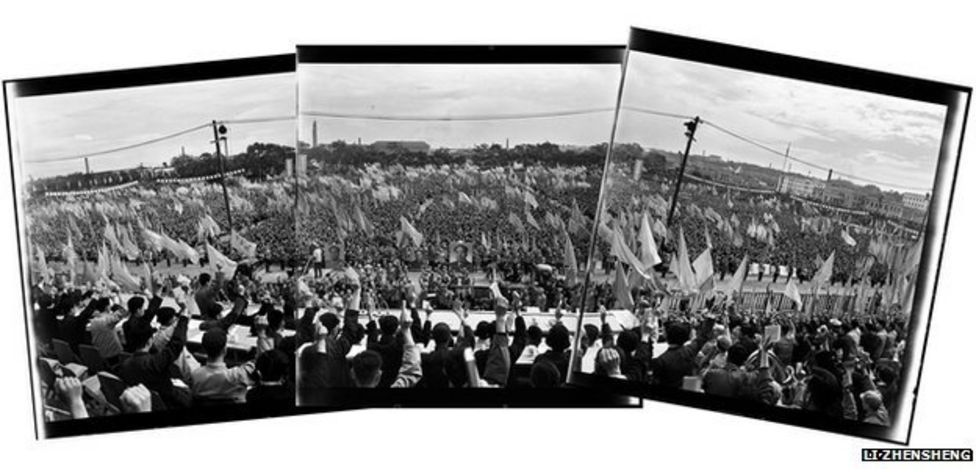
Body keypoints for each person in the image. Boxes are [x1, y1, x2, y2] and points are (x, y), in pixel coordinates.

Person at [117, 292, 192, 410]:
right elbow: (176, 344)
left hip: (147, 402)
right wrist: (184, 317)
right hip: (169, 402)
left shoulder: (124, 364)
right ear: (149, 341)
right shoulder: (155, 362)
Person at [190, 328, 256, 404]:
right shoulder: (238, 376)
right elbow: (263, 361)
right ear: (225, 349)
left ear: (204, 349)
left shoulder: (194, 376)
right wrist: (261, 333)